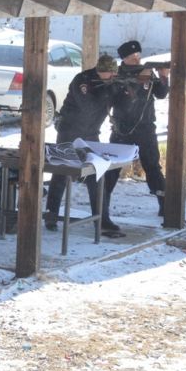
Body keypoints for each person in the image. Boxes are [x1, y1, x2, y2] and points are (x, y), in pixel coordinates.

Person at [45, 55, 123, 237]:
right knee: (61, 172)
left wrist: (123, 90)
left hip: (91, 133)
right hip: (69, 130)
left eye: (112, 73)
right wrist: (109, 90)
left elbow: (121, 105)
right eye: (107, 73)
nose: (109, 75)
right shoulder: (83, 80)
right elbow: (88, 107)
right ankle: (51, 214)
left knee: (96, 173)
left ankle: (102, 218)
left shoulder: (110, 82)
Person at [104, 40, 170, 216]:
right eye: (133, 59)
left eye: (139, 58)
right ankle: (102, 206)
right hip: (123, 129)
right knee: (112, 168)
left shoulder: (145, 72)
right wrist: (140, 80)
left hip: (146, 128)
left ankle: (165, 205)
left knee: (153, 167)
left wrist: (163, 77)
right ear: (124, 60)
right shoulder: (117, 76)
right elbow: (124, 102)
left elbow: (161, 94)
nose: (137, 62)